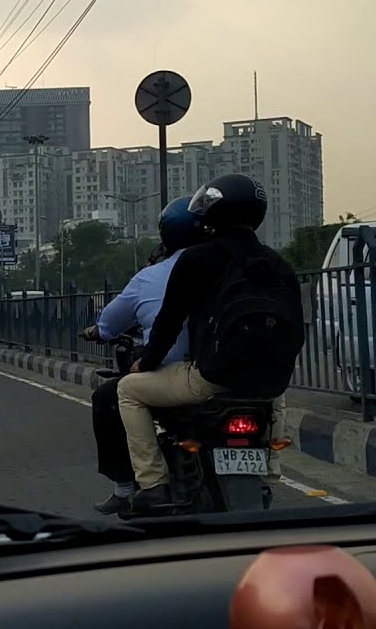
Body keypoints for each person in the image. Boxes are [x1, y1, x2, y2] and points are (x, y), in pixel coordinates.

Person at [116, 174, 305, 514]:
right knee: (273, 393)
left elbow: (168, 324)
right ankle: (270, 465)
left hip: (210, 378)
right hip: (269, 384)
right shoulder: (279, 264)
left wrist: (144, 362)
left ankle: (153, 484)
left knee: (128, 391)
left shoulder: (198, 258)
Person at [84, 196, 207, 514]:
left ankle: (137, 485)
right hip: (230, 371)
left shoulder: (152, 276)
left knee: (113, 395)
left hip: (179, 377)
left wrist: (98, 332)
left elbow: (109, 323)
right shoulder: (230, 266)